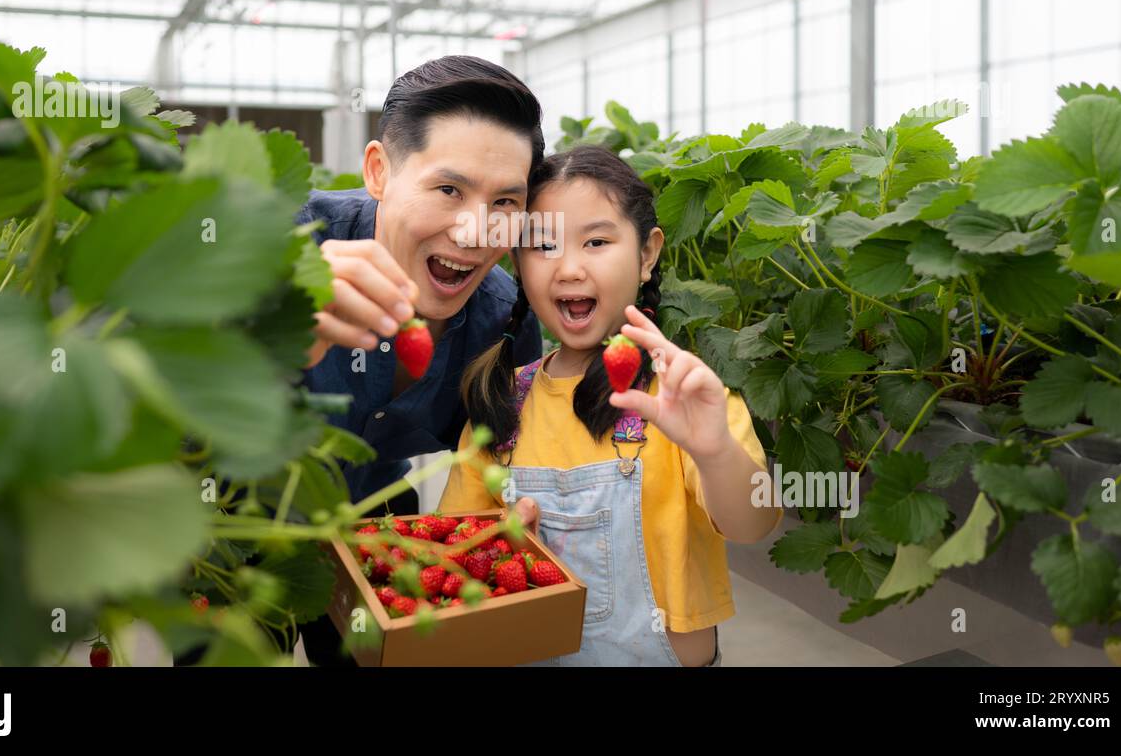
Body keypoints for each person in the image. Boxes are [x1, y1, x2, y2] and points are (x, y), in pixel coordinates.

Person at [439, 145, 783, 667]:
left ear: (647, 254)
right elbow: (458, 565)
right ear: (517, 261)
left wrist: (713, 449)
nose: (570, 268)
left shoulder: (683, 394)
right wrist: (504, 547)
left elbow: (751, 525)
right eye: (544, 245)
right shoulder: (499, 402)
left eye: (597, 241)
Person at [294, 55, 545, 666]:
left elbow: (501, 459)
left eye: (506, 202)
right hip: (241, 508)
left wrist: (514, 503)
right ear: (379, 171)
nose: (474, 232)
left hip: (374, 509)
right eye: (449, 189)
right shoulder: (281, 248)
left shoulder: (506, 323)